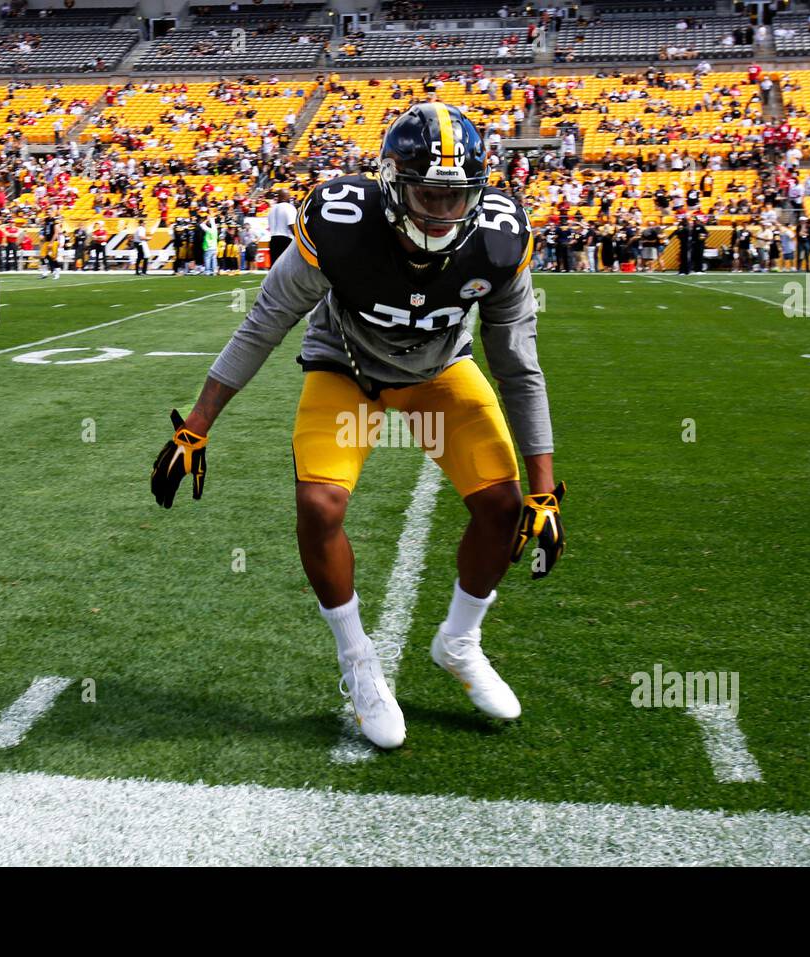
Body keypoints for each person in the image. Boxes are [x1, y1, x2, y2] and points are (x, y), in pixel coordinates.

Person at [150, 104, 563, 751]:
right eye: (429, 194)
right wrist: (195, 427)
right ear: (393, 184)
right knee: (319, 504)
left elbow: (518, 365)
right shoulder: (342, 223)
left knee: (505, 506)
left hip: (438, 374)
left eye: (457, 197)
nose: (443, 212)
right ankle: (358, 660)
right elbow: (266, 321)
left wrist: (544, 487)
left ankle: (458, 641)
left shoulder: (501, 237)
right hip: (346, 369)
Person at [266, 190, 296, 268]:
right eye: (288, 195)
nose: (290, 197)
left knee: (275, 267)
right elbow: (291, 224)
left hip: (273, 239)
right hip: (286, 239)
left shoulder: (272, 209)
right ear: (284, 197)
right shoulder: (289, 207)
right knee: (287, 266)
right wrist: (298, 239)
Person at [38, 212, 61, 279]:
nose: (48, 213)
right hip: (46, 241)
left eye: (50, 212)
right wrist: (43, 238)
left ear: (53, 213)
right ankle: (45, 273)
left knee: (53, 258)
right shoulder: (46, 220)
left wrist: (51, 242)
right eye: (47, 212)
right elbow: (45, 230)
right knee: (42, 256)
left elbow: (56, 233)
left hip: (53, 241)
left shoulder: (55, 221)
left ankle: (57, 273)